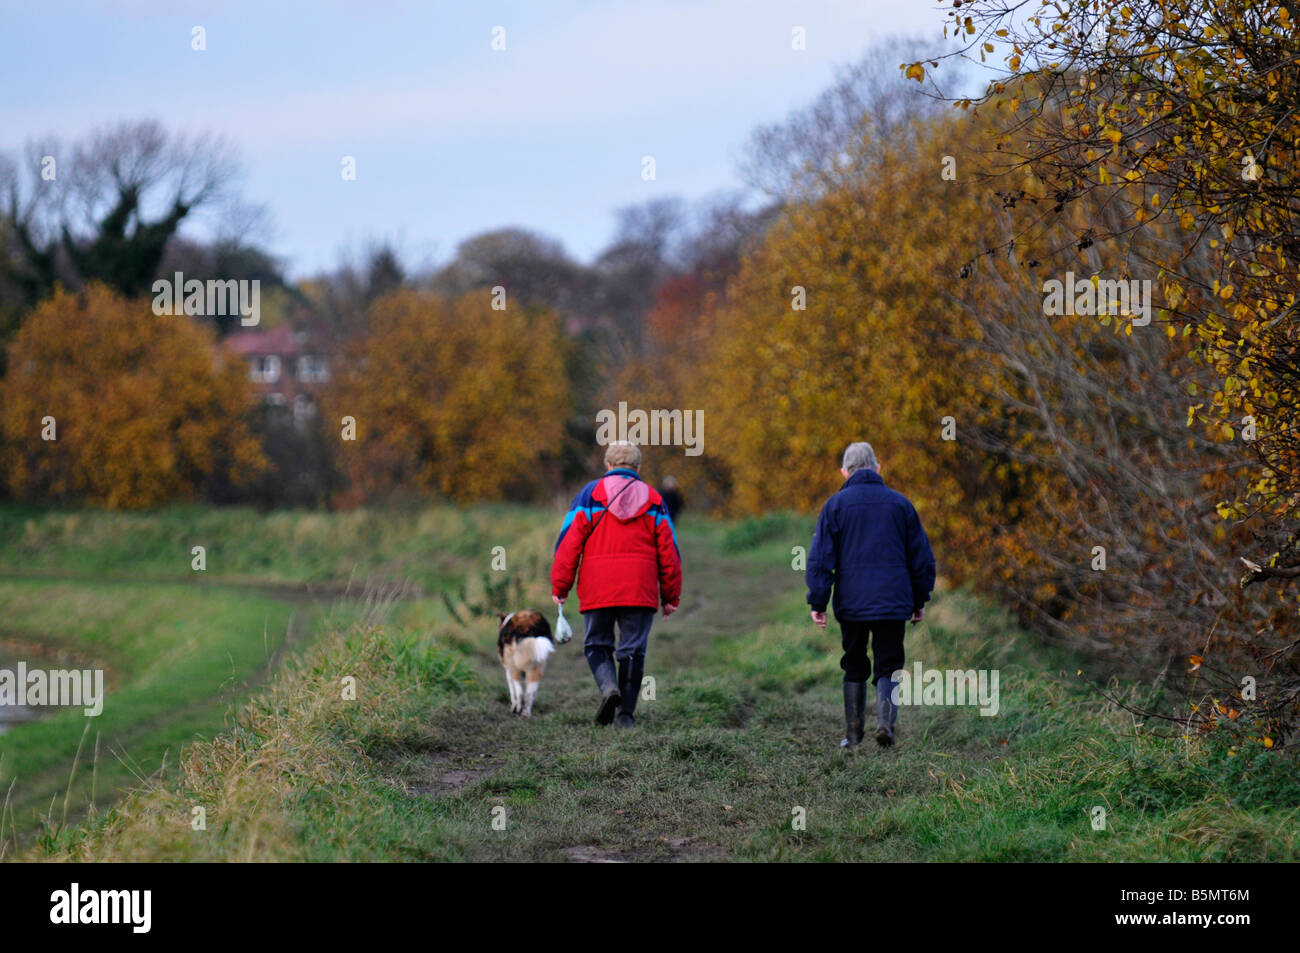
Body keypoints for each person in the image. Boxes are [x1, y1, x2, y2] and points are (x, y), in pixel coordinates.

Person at [806, 441, 936, 748]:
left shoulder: (835, 506)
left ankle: (853, 736)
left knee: (854, 662)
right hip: (893, 604)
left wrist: (818, 601)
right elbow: (922, 558)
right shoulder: (901, 504)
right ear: (878, 468)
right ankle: (885, 726)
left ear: (843, 471)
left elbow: (820, 558)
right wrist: (920, 599)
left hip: (851, 604)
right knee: (889, 663)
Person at [552, 441, 682, 728]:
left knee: (597, 644)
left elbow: (568, 544)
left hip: (597, 587)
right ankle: (625, 716)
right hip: (639, 588)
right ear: (637, 467)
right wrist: (671, 596)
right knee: (633, 650)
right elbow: (669, 551)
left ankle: (608, 687)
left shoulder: (589, 496)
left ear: (608, 466)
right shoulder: (654, 498)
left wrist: (560, 587)